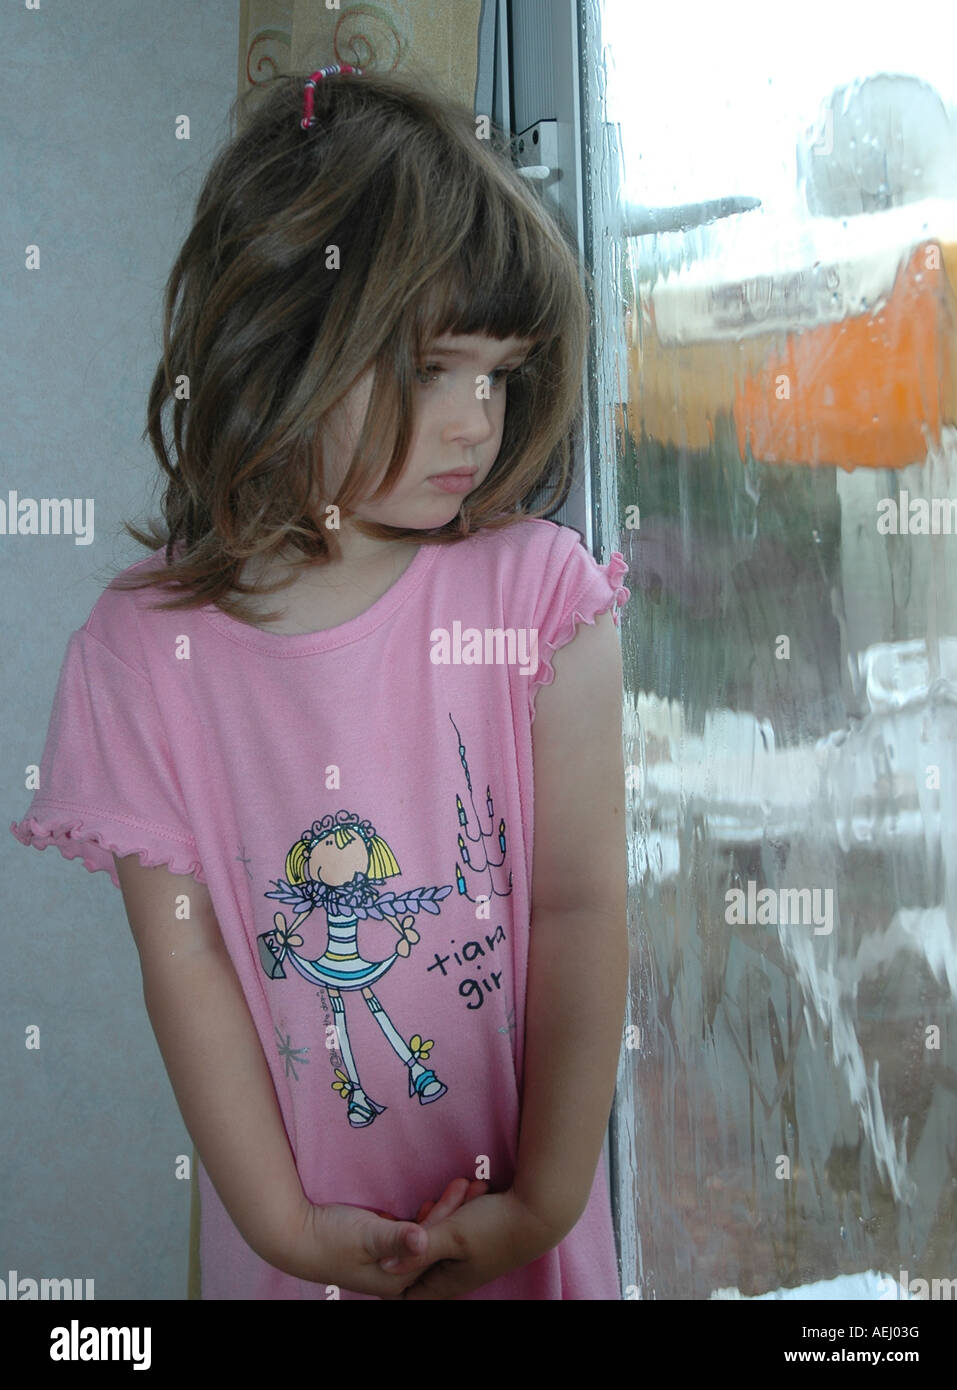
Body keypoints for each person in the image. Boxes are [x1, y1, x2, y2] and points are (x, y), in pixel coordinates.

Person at [10, 62, 631, 1300]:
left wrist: (543, 1200)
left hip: (527, 1231)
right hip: (303, 1256)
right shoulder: (142, 656)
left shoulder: (539, 598)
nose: (477, 421)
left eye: (499, 375)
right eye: (433, 367)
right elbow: (184, 966)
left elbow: (576, 909)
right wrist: (291, 1233)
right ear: (281, 341)